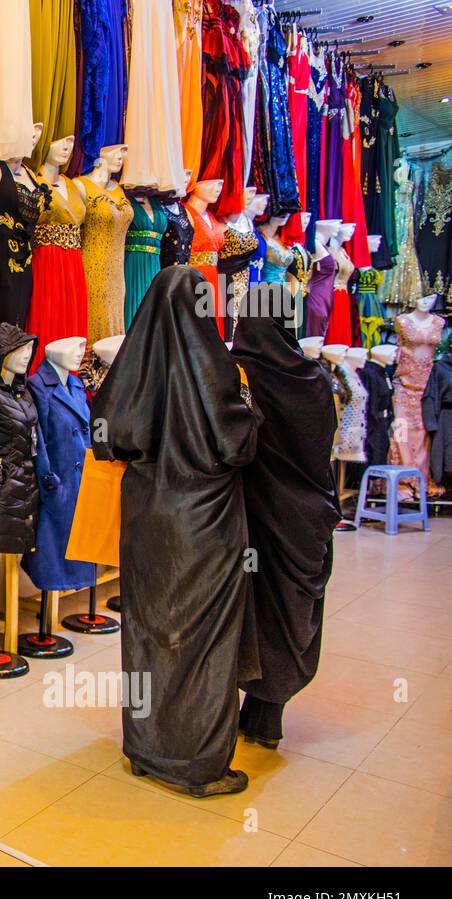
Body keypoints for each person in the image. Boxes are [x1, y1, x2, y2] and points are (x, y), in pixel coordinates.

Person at [91, 265, 259, 797]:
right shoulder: (215, 368)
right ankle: (196, 764)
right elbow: (238, 446)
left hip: (147, 519)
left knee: (148, 630)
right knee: (206, 640)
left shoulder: (132, 367)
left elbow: (106, 437)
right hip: (205, 524)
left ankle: (146, 748)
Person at [232, 283, 339, 748]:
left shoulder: (241, 377)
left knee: (257, 610)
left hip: (261, 514)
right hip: (310, 515)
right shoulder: (313, 379)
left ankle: (252, 710)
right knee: (292, 611)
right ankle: (266, 714)